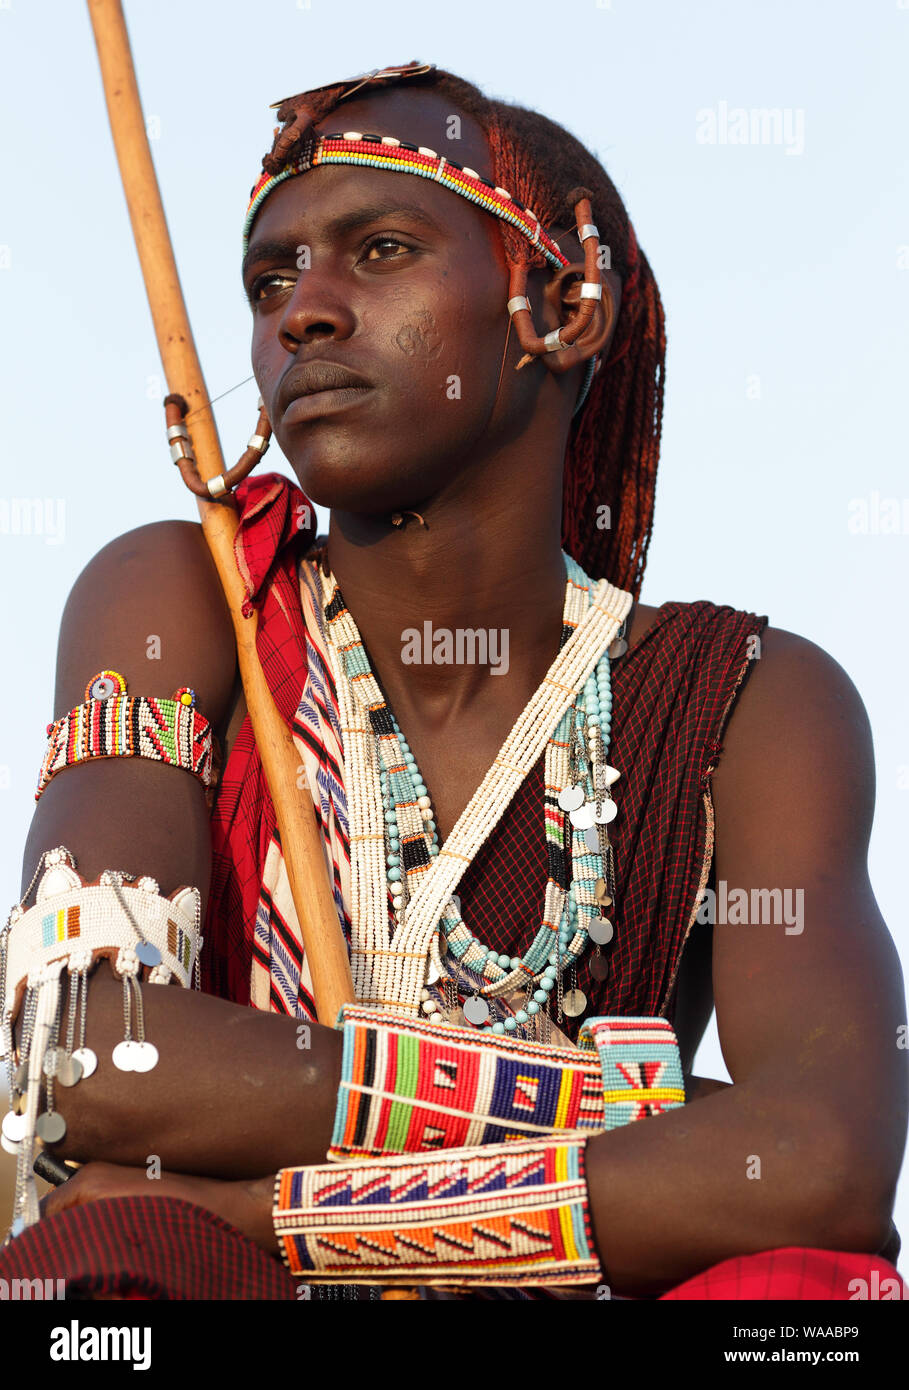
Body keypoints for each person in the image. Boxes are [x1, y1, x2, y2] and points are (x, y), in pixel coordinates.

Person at [0, 63, 905, 1301]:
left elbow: (822, 1170)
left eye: (377, 250)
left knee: (811, 1310)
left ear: (563, 311)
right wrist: (645, 1115)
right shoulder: (186, 601)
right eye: (272, 281)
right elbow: (81, 1048)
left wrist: (279, 1211)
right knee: (105, 1279)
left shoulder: (747, 703)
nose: (301, 313)